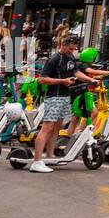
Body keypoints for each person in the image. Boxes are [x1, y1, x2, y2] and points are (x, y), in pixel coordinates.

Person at [31, 36, 97, 173]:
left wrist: (90, 79)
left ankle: (49, 157)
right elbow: (42, 79)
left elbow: (76, 72)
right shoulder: (54, 59)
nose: (72, 51)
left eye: (74, 49)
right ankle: (36, 162)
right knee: (47, 128)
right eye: (70, 48)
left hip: (65, 96)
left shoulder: (71, 57)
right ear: (63, 45)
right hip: (54, 97)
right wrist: (62, 81)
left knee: (57, 128)